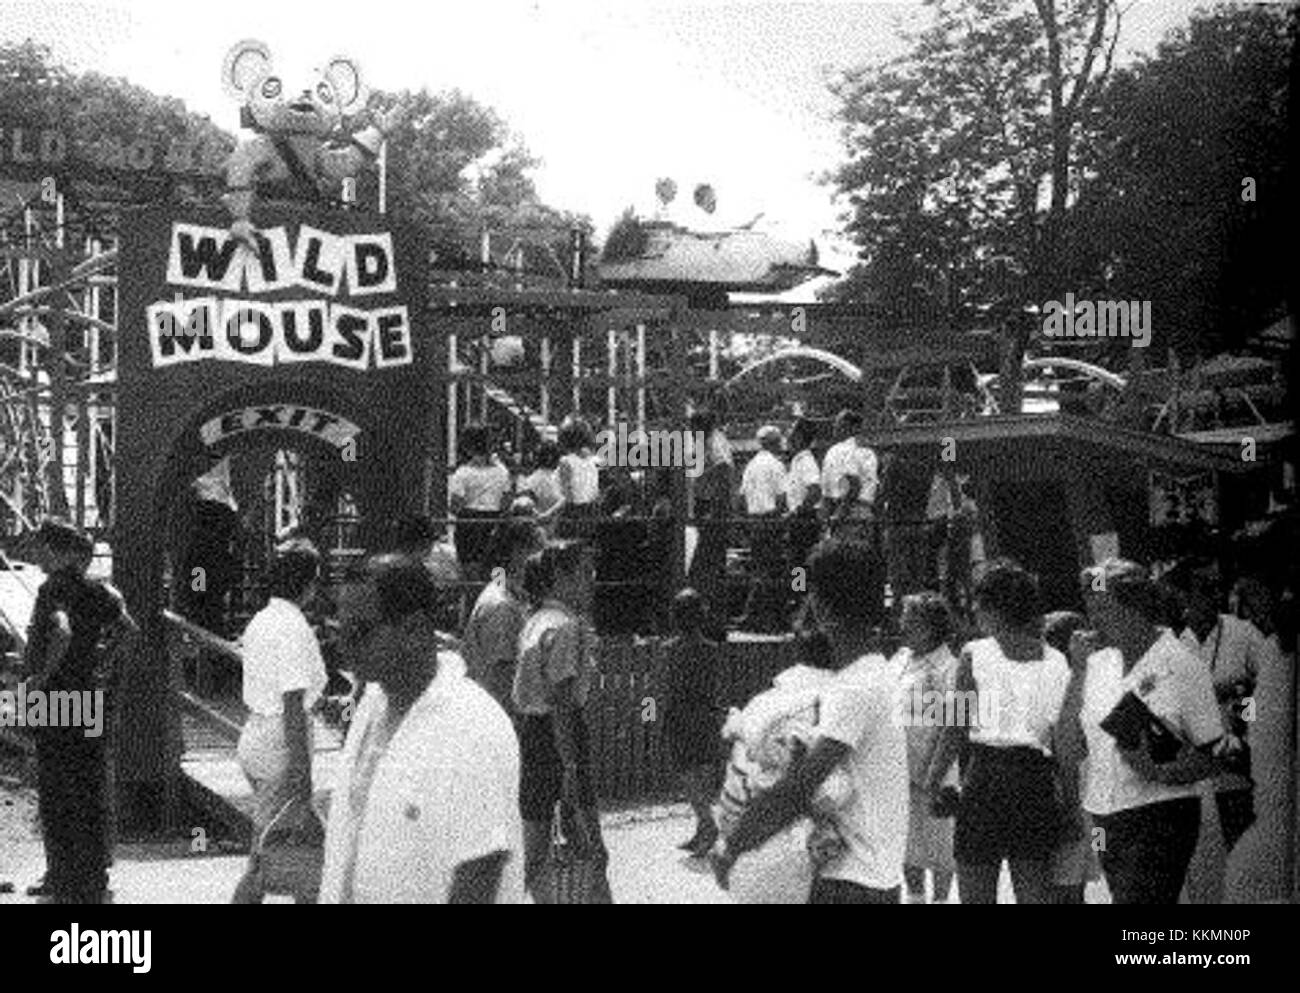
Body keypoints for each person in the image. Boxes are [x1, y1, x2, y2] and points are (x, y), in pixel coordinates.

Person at [713, 537, 908, 904]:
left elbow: (799, 787)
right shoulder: (883, 674)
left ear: (819, 605)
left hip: (850, 882)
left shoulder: (854, 689)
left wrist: (732, 846)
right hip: (879, 878)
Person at [320, 553, 523, 903]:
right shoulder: (372, 704)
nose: (344, 646)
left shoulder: (471, 725)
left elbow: (479, 874)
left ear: (413, 628)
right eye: (338, 631)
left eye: (359, 632)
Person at [1075, 558, 1225, 904]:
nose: (1093, 620)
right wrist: (1077, 673)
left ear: (1134, 609)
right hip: (1104, 817)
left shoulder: (1181, 663)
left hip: (1160, 813)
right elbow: (1073, 743)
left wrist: (1155, 770)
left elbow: (1214, 755)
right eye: (1090, 608)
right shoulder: (1097, 665)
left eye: (1103, 608)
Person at [924, 560, 1070, 905]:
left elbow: (955, 727)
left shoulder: (975, 655)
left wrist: (932, 782)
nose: (975, 612)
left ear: (995, 609)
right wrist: (1071, 803)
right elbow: (1062, 738)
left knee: (976, 893)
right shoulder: (1056, 662)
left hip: (985, 778)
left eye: (979, 604)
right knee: (1033, 893)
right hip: (1035, 780)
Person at [24, 519, 135, 905]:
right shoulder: (99, 591)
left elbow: (62, 630)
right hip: (89, 697)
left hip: (54, 700)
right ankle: (93, 873)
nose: (35, 554)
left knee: (55, 788)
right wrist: (103, 661)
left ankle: (61, 874)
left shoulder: (51, 589)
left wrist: (40, 677)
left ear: (55, 551)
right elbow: (127, 629)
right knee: (89, 784)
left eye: (40, 548)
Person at [514, 541, 613, 903]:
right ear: (561, 576)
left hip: (532, 735)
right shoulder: (565, 626)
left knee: (535, 853)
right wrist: (570, 765)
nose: (592, 581)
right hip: (561, 739)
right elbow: (562, 701)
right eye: (584, 573)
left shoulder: (536, 620)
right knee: (592, 850)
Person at [230, 539, 327, 904]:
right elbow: (292, 702)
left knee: (283, 849)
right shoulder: (293, 627)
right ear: (308, 583)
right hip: (281, 744)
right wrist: (303, 771)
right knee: (268, 857)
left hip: (256, 733)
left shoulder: (262, 619)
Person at [1174, 563, 1277, 854]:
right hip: (1201, 774)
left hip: (1244, 767)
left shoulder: (1242, 633)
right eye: (1205, 590)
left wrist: (1245, 723)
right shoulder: (1176, 645)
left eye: (1217, 588)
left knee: (1250, 849)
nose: (1215, 596)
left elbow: (1268, 687)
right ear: (1185, 598)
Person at [894, 592, 958, 904]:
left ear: (930, 627)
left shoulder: (951, 667)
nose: (902, 627)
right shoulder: (901, 659)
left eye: (910, 622)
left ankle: (941, 901)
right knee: (907, 843)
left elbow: (956, 724)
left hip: (937, 771)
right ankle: (916, 898)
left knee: (940, 845)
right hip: (900, 768)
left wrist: (935, 774)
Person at [662, 588, 724, 857]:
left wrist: (650, 718)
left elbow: (659, 690)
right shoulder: (712, 650)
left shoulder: (670, 651)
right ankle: (703, 828)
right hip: (707, 717)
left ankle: (708, 825)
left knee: (687, 776)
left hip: (680, 718)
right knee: (702, 775)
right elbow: (716, 687)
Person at [1043, 609, 1098, 904]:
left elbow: (1069, 750)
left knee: (1065, 887)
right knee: (1070, 887)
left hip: (1069, 793)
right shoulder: (1074, 685)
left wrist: (1073, 807)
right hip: (1076, 795)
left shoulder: (1066, 684)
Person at [462, 519, 541, 711]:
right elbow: (501, 681)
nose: (546, 557)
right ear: (519, 551)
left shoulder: (512, 593)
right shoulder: (501, 607)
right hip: (497, 716)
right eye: (540, 549)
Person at [686, 411, 733, 635]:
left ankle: (713, 619)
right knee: (708, 566)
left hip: (714, 510)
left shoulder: (714, 441)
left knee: (707, 566)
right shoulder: (711, 441)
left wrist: (713, 508)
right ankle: (712, 618)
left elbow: (723, 470)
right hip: (711, 508)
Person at [738, 425, 788, 633]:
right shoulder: (777, 465)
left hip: (754, 522)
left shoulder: (751, 466)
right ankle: (776, 615)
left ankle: (753, 615)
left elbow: (740, 498)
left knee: (761, 570)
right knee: (782, 569)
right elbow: (782, 498)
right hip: (772, 521)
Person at [448, 424, 511, 580]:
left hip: (469, 525)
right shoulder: (502, 471)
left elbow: (455, 506)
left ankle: (472, 603)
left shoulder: (462, 473)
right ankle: (497, 600)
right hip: (495, 522)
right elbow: (507, 501)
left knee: (470, 574)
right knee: (497, 569)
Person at [819, 408, 878, 539]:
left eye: (839, 424)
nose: (835, 427)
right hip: (864, 512)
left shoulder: (842, 449)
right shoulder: (869, 451)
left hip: (847, 514)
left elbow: (854, 484)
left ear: (851, 428)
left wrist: (838, 516)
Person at [784, 418, 823, 582]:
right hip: (800, 520)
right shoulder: (797, 460)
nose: (788, 436)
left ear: (799, 436)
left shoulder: (806, 461)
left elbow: (815, 490)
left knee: (799, 562)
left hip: (803, 521)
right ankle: (799, 596)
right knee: (796, 562)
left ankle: (800, 597)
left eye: (791, 431)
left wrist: (798, 512)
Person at [552, 416, 602, 541]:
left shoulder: (566, 462)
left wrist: (546, 514)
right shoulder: (593, 461)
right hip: (590, 516)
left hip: (571, 517)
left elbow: (568, 498)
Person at [519, 441, 563, 527]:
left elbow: (525, 504)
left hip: (538, 527)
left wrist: (541, 515)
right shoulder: (562, 479)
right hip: (557, 527)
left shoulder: (530, 480)